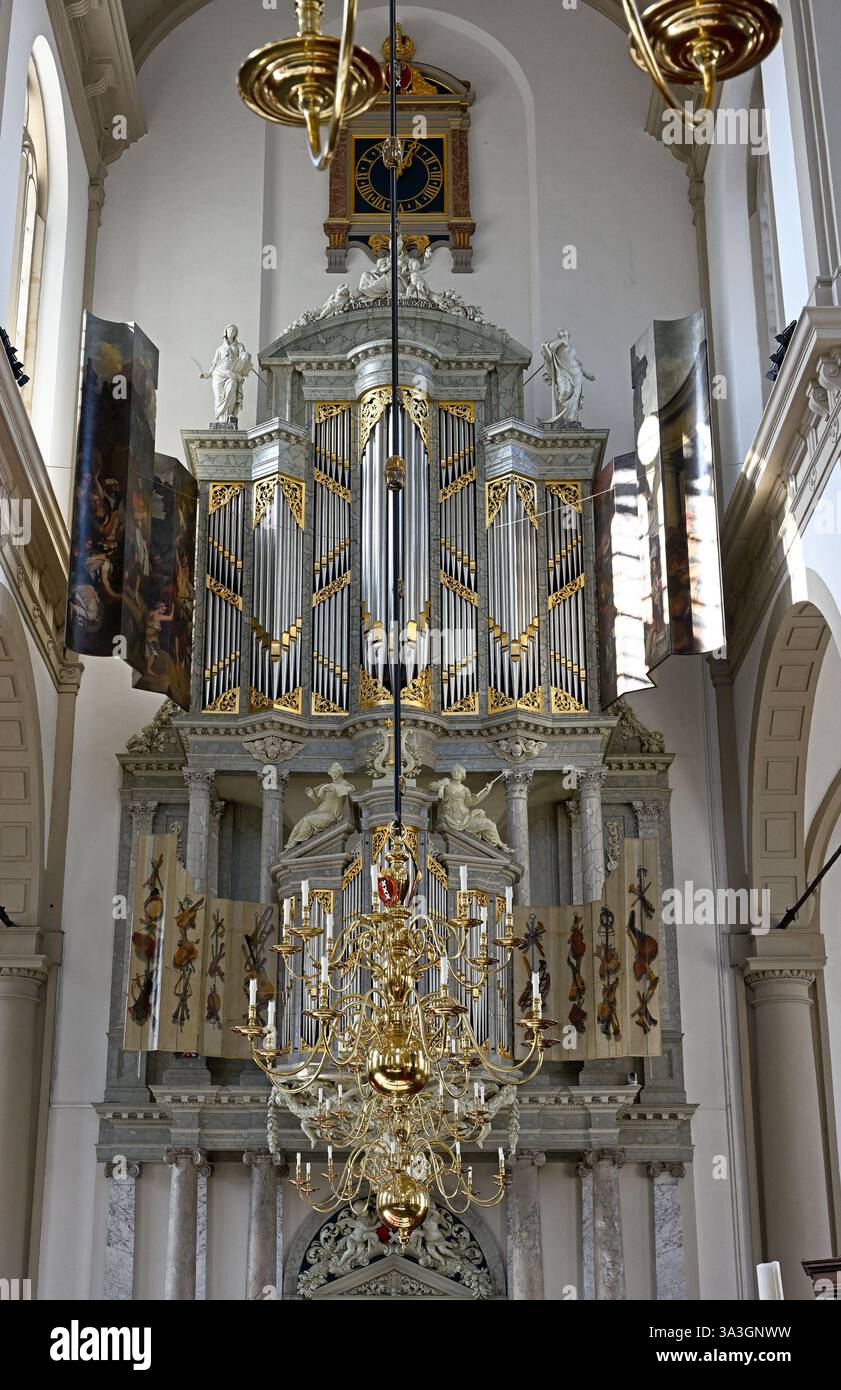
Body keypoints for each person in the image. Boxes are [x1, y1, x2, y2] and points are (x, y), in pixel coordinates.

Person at [200, 324, 252, 424]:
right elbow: (214, 363)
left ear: (236, 333)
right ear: (226, 332)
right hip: (218, 374)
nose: (232, 331)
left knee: (232, 387)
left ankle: (229, 415)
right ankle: (221, 419)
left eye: (234, 330)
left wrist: (246, 355)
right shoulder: (219, 349)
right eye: (230, 329)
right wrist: (208, 374)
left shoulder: (239, 346)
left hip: (232, 374)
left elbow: (244, 358)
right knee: (219, 397)